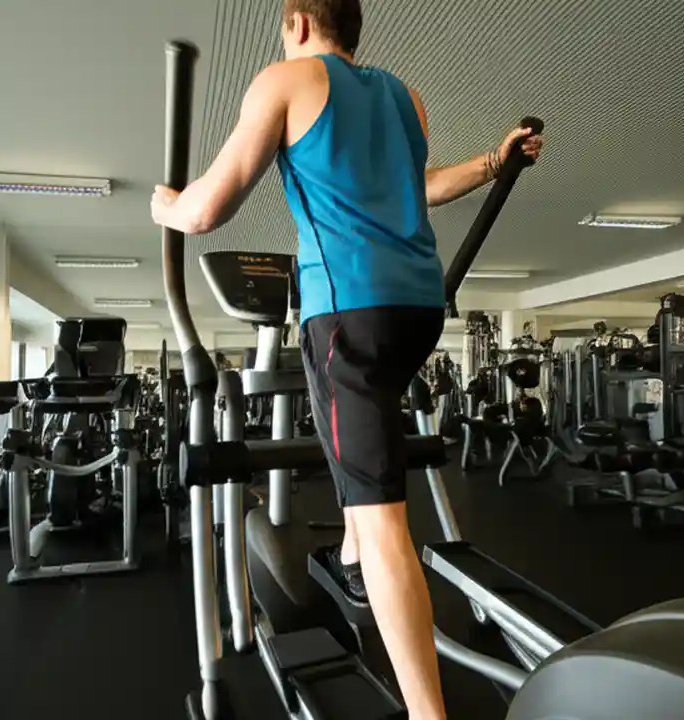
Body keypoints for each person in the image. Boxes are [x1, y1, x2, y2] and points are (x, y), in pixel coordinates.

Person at [150, 2, 542, 717]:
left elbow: (209, 210)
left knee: (384, 510)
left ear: (297, 21)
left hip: (347, 317)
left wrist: (167, 207)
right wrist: (495, 160)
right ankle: (356, 563)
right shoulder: (402, 95)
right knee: (364, 452)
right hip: (418, 310)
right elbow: (419, 193)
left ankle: (428, 711)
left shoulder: (286, 80)